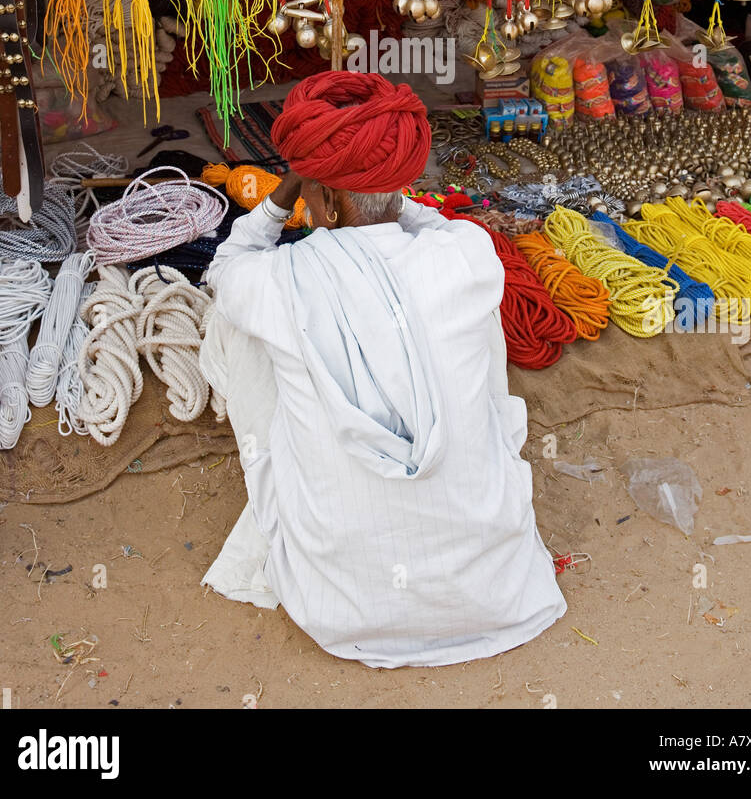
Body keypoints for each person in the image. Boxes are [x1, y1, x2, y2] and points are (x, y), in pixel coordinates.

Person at [201, 72, 566, 668]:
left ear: (320, 198)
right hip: (494, 596)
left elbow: (228, 262)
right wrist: (383, 192)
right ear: (401, 185)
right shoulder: (469, 256)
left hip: (343, 612)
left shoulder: (276, 282)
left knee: (238, 332)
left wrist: (285, 193)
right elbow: (438, 225)